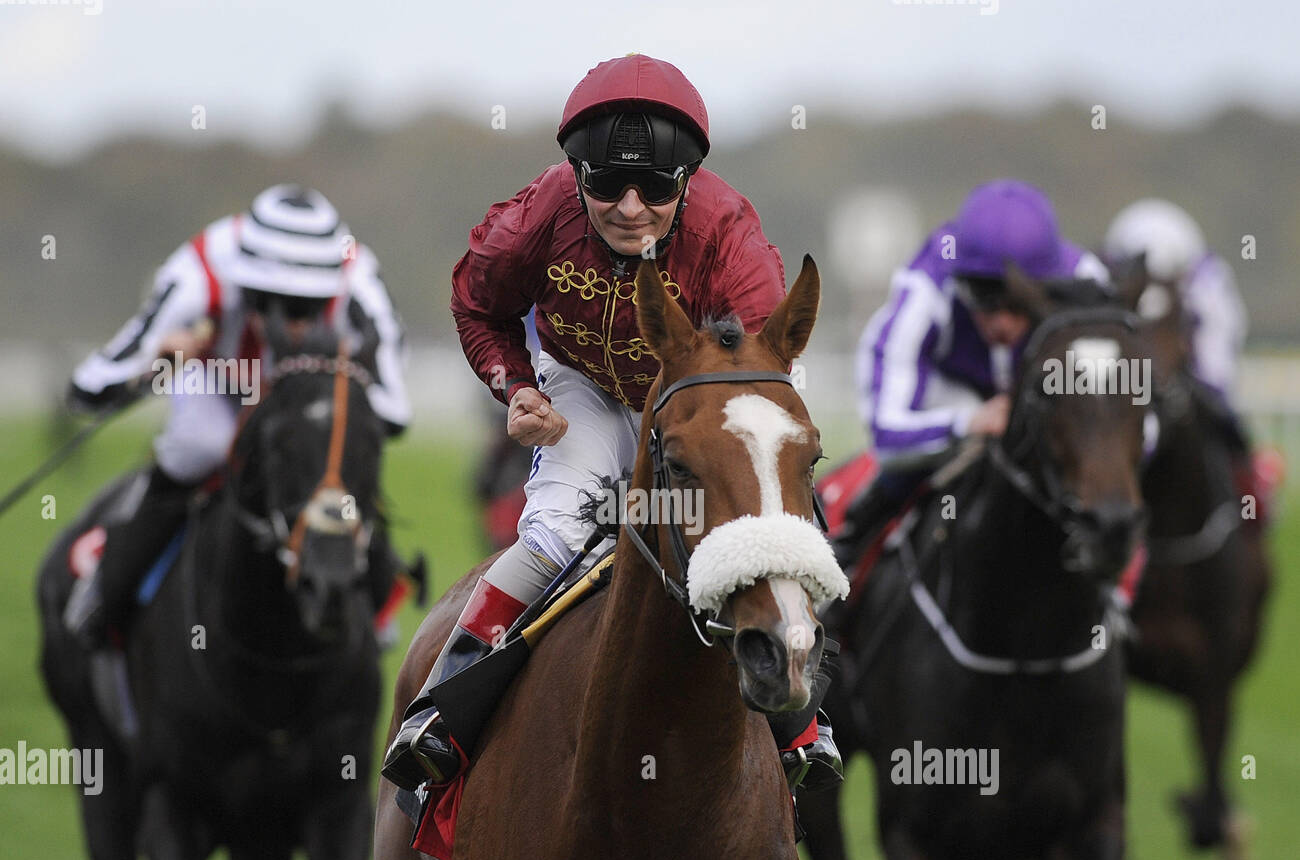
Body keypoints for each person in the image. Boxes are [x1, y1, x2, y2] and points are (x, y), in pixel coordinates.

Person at [382, 53, 840, 794]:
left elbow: (762, 373)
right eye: (607, 185)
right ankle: (444, 704)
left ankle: (802, 723)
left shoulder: (731, 237)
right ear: (576, 175)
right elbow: (478, 303)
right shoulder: (537, 217)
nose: (631, 207)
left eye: (656, 186)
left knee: (759, 516)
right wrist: (516, 388)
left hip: (697, 395)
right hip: (583, 388)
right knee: (560, 529)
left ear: (686, 179)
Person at [64, 184, 412, 646]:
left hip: (301, 398)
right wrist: (159, 359)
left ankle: (374, 600)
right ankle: (109, 587)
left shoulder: (359, 279)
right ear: (244, 281)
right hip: (221, 385)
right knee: (198, 445)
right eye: (268, 300)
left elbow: (393, 411)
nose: (291, 325)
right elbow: (93, 384)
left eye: (306, 307)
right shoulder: (199, 272)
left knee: (335, 452)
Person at [837, 179, 1110, 557]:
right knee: (894, 482)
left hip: (1041, 397)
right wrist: (965, 423)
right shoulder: (926, 286)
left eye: (1019, 304)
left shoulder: (1088, 283)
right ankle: (849, 566)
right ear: (959, 282)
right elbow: (886, 434)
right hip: (950, 398)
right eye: (984, 298)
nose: (1002, 323)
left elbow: (1136, 428)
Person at [1104, 198, 1252, 455]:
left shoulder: (1208, 283)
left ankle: (1241, 466)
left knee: (1219, 403)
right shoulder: (1107, 275)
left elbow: (1222, 342)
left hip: (1196, 352)